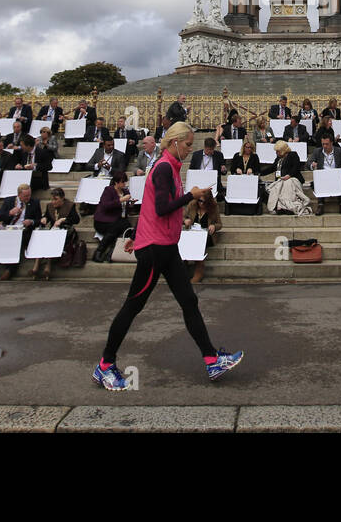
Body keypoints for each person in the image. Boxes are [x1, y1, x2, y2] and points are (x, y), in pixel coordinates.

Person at [94, 122, 243, 390]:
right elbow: (162, 208)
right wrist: (191, 195)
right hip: (156, 250)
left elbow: (150, 207)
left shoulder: (169, 168)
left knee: (189, 300)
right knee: (133, 305)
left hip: (165, 245)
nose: (189, 150)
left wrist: (137, 235)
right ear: (174, 142)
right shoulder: (163, 167)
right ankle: (105, 364)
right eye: (187, 145)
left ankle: (211, 359)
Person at [30, 187, 80, 280]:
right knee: (43, 237)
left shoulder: (69, 206)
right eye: (52, 199)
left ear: (62, 198)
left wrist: (63, 219)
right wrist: (44, 218)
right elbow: (47, 216)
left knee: (52, 239)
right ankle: (37, 264)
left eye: (56, 199)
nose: (53, 202)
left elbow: (76, 220)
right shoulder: (50, 206)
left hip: (65, 231)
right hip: (53, 230)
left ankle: (48, 265)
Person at [93, 170, 135, 261]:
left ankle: (112, 253)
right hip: (103, 221)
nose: (124, 184)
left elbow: (124, 208)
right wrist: (121, 200)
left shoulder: (125, 191)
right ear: (116, 182)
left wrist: (130, 204)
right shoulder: (109, 190)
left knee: (128, 229)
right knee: (116, 227)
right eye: (122, 182)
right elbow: (106, 205)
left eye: (125, 181)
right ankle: (99, 252)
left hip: (118, 220)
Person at [183, 189, 222, 283]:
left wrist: (214, 226)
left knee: (198, 244)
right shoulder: (192, 204)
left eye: (204, 202)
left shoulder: (214, 207)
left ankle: (199, 270)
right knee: (185, 245)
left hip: (206, 235)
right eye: (199, 201)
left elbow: (219, 224)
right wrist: (185, 221)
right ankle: (183, 269)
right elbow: (183, 217)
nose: (201, 203)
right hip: (191, 233)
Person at [266, 141, 310, 215]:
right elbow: (271, 168)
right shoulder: (278, 159)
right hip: (281, 180)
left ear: (283, 150)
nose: (276, 153)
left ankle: (286, 206)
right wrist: (259, 172)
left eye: (278, 151)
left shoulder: (293, 155)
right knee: (279, 186)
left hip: (293, 179)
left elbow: (296, 167)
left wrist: (289, 176)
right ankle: (282, 207)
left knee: (287, 184)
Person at [308, 136, 341, 215]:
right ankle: (320, 205)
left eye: (327, 144)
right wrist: (312, 165)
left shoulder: (339, 151)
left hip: (335, 176)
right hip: (323, 177)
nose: (325, 146)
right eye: (323, 144)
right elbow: (308, 162)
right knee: (318, 182)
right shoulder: (317, 151)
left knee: (340, 182)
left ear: (331, 143)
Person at [227, 137, 267, 214]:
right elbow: (232, 169)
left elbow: (258, 170)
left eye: (250, 148)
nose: (248, 149)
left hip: (250, 180)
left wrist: (252, 170)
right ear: (243, 147)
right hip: (239, 179)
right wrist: (236, 169)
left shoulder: (255, 156)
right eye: (247, 147)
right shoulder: (237, 155)